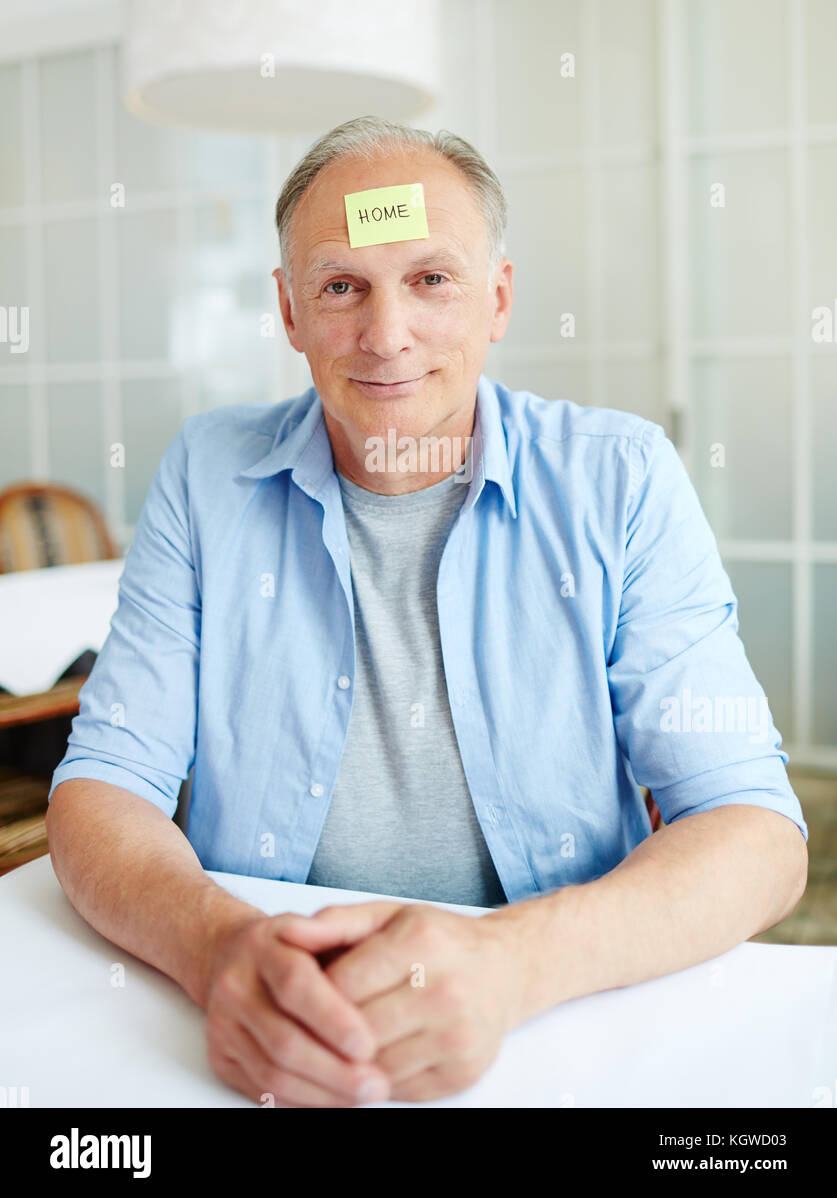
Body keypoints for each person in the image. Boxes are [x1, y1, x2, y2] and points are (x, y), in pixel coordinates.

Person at [46, 115, 808, 1109]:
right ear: (287, 310)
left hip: (553, 1024)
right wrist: (216, 946)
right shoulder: (207, 473)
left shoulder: (620, 478)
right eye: (341, 286)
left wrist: (516, 963)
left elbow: (755, 830)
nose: (386, 334)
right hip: (259, 1027)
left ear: (497, 297)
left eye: (431, 280)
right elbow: (102, 785)